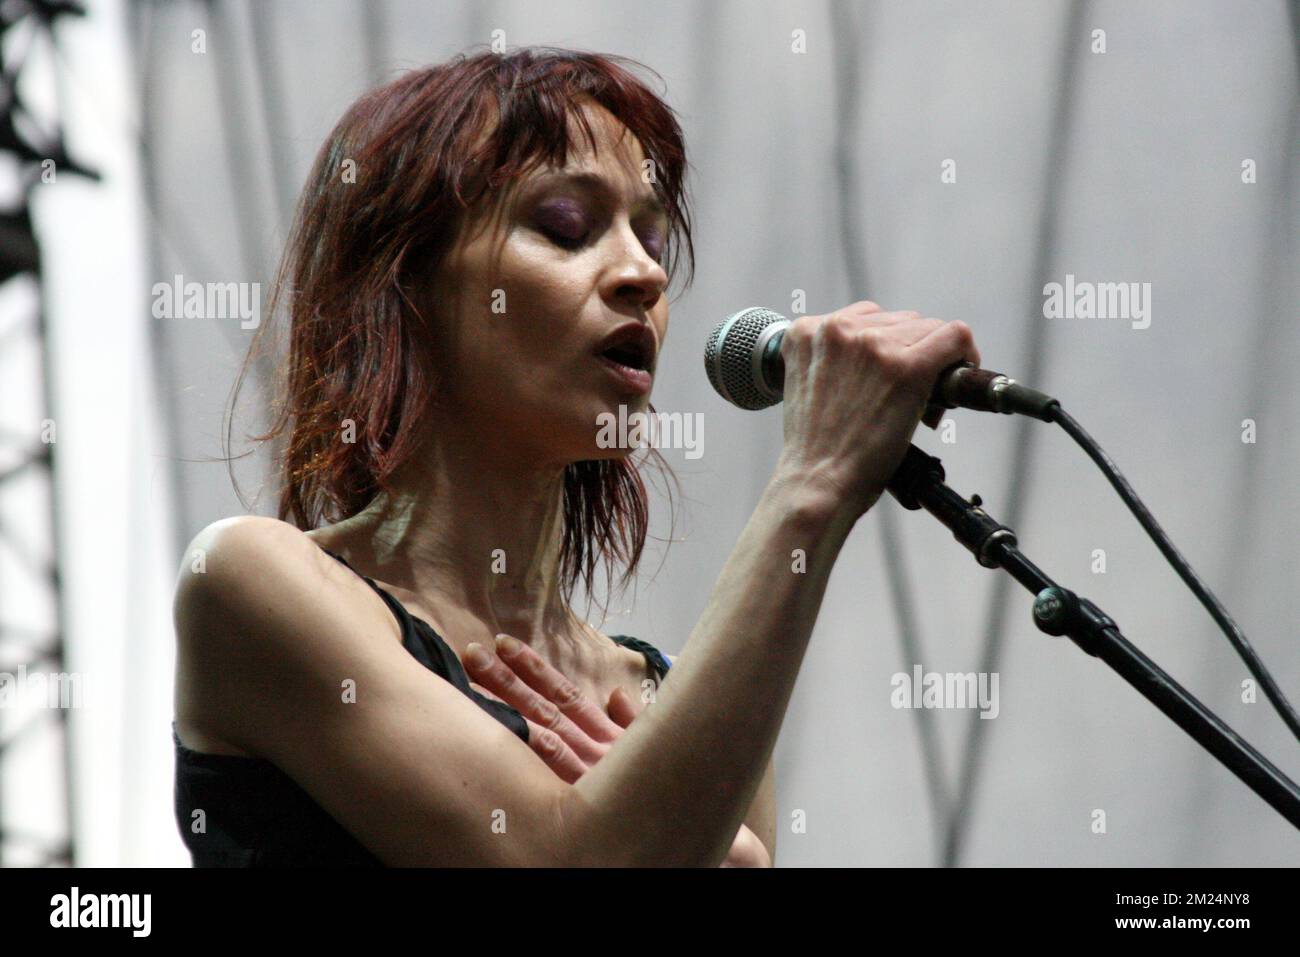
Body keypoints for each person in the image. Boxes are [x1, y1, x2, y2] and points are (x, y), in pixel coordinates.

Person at [171, 46, 979, 867]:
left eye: (653, 238)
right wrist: (813, 485)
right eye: (565, 227)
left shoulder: (667, 694)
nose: (641, 273)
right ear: (408, 286)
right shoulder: (251, 583)